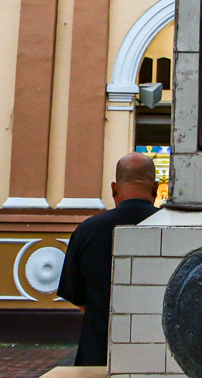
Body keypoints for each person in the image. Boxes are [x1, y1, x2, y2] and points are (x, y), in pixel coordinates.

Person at [56, 153, 159, 365]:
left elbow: (74, 293)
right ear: (156, 189)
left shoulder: (87, 230)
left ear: (114, 189)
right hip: (159, 356)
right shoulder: (173, 229)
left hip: (99, 353)